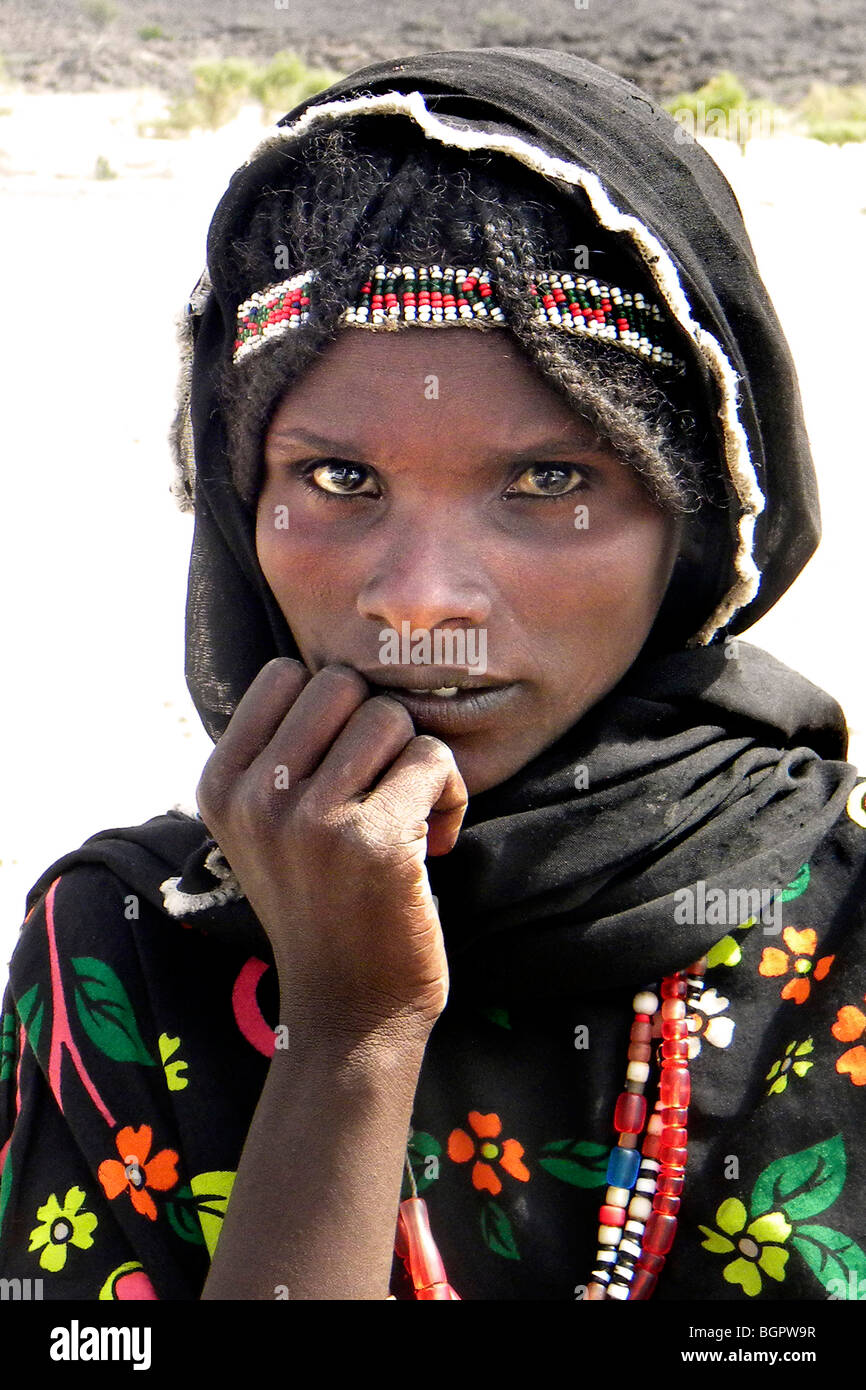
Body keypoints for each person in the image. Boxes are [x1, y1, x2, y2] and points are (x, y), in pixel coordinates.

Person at [1, 46, 865, 1303]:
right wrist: (345, 1039)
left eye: (549, 482)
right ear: (242, 508)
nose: (420, 597)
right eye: (338, 479)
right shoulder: (122, 948)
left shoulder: (835, 924)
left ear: (695, 519)